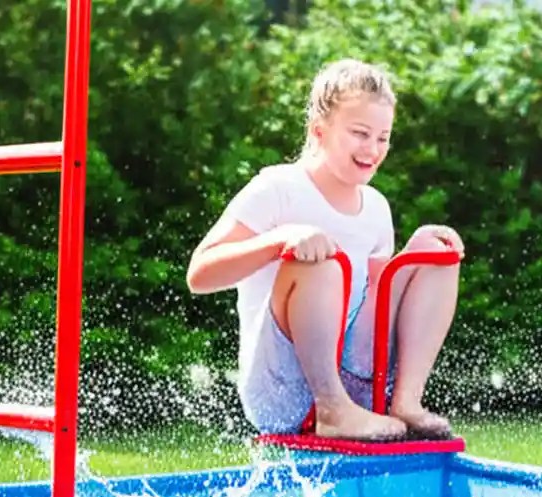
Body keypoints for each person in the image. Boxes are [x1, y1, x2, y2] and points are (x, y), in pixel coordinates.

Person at [186, 58, 463, 442]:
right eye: (360, 133)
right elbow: (199, 274)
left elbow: (379, 307)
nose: (373, 148)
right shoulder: (277, 188)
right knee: (320, 262)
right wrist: (281, 240)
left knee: (437, 256)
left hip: (360, 385)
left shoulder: (376, 207)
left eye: (383, 138)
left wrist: (415, 254)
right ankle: (332, 408)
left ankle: (405, 401)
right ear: (319, 131)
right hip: (282, 392)